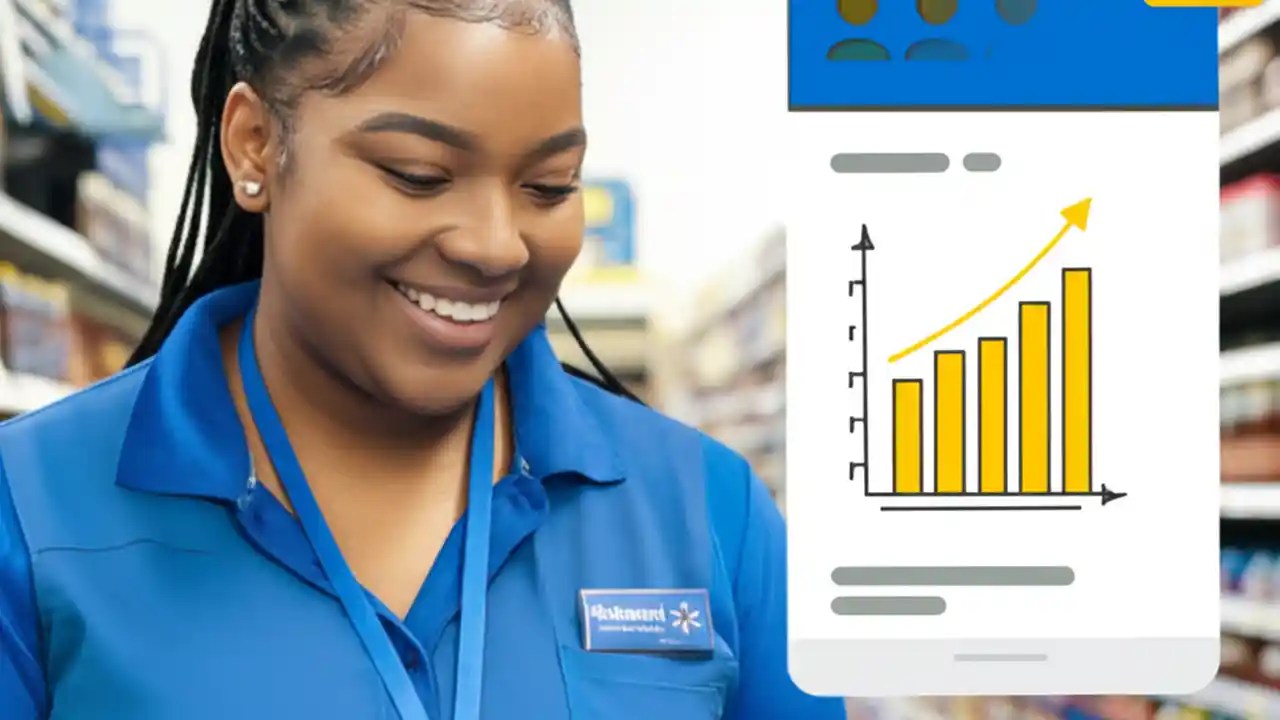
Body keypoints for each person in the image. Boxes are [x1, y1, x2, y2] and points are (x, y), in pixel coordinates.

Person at [0, 1, 847, 718]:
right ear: (256, 145)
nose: (495, 245)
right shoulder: (31, 512)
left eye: (549, 186)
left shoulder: (710, 515)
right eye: (418, 174)